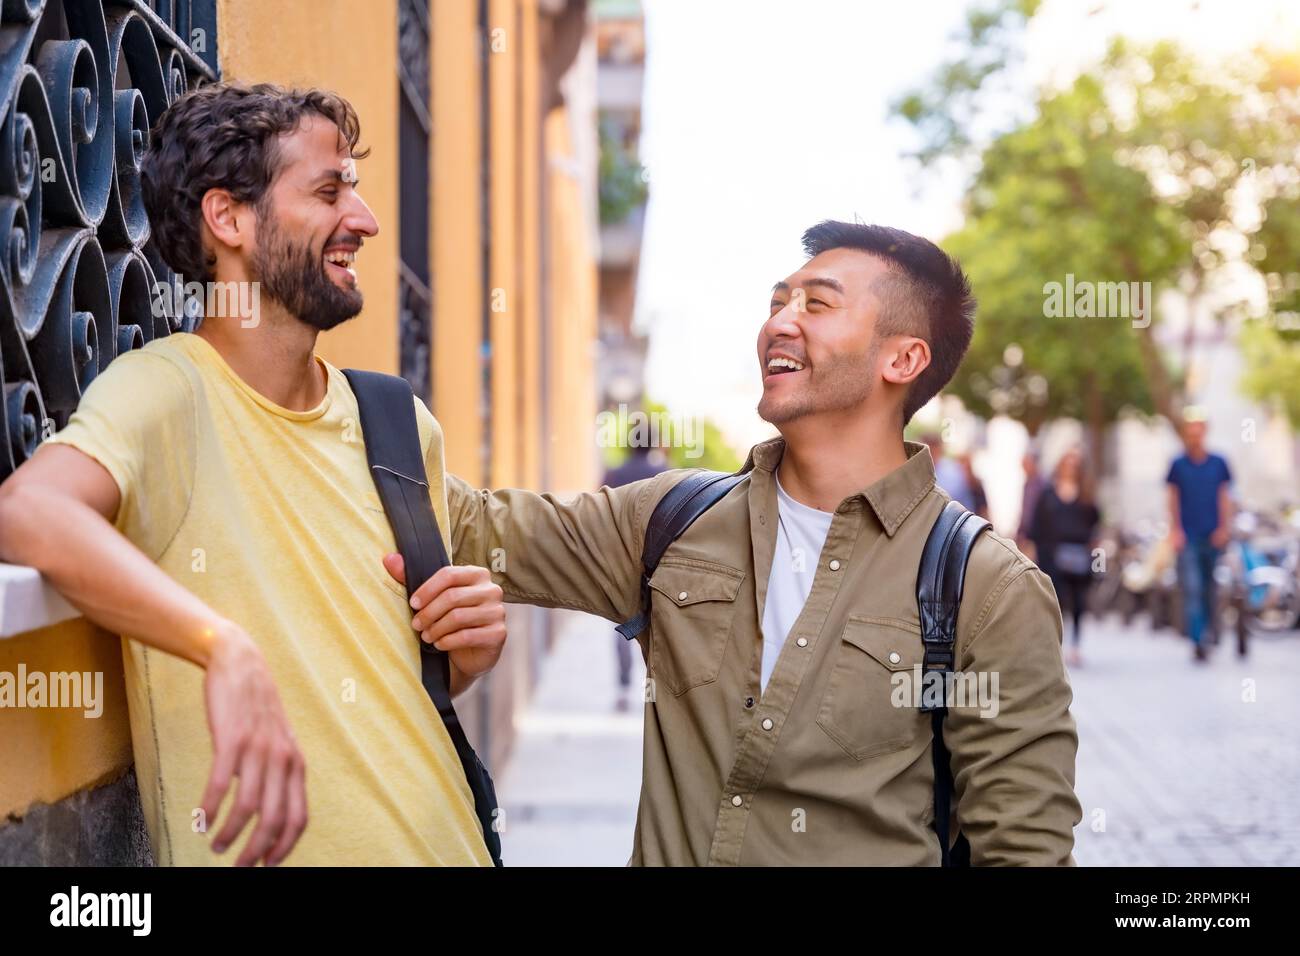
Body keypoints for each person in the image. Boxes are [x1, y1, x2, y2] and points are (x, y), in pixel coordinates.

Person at [390, 221, 1081, 865]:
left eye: (817, 304)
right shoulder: (671, 519)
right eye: (779, 300)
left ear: (902, 358)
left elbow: (1024, 850)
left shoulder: (985, 587)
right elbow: (470, 523)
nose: (779, 322)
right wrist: (328, 391)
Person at [0, 83, 507, 866]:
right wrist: (220, 645)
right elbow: (28, 511)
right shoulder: (169, 392)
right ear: (229, 218)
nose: (365, 221)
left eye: (358, 191)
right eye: (328, 191)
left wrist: (461, 655)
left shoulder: (400, 423)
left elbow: (383, 695)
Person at [601, 443, 667, 707]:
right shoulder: (663, 473)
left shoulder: (614, 473)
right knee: (656, 627)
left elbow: (601, 514)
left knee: (622, 625)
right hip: (654, 562)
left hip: (620, 562)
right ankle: (655, 688)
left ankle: (624, 687)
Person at [1166, 409, 1233, 662]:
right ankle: (1198, 639)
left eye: (1198, 430)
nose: (1195, 436)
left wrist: (1224, 528)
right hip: (1189, 536)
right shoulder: (1178, 464)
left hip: (1213, 533)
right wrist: (1176, 530)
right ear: (1186, 434)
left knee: (1210, 587)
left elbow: (1224, 497)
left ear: (1204, 432)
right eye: (1190, 431)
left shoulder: (1219, 463)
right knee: (1192, 587)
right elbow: (1172, 498)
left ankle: (1210, 631)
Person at [1028, 447, 1100, 667]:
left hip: (1079, 556)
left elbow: (1095, 524)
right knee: (1054, 601)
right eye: (1068, 462)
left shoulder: (1087, 495)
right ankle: (1054, 644)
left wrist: (1095, 556)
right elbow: (1037, 526)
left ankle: (1076, 645)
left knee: (1078, 601)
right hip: (1052, 557)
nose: (1071, 467)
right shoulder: (1048, 494)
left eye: (1075, 464)